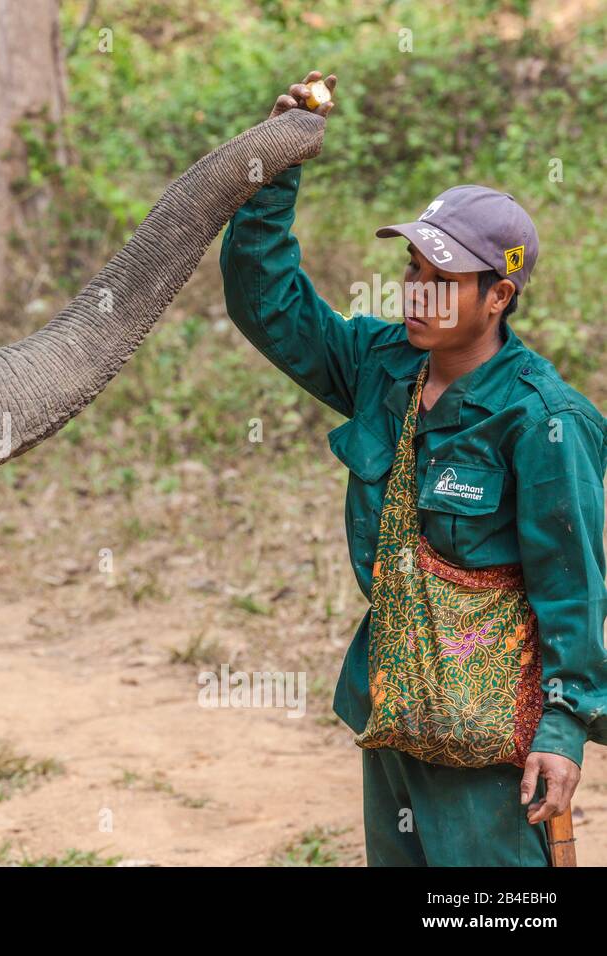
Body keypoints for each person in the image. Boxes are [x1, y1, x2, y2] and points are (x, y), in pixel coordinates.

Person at [219, 71, 607, 865]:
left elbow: (575, 585)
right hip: (394, 706)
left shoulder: (543, 422)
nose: (418, 298)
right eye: (413, 276)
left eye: (445, 283)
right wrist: (272, 165)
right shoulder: (379, 365)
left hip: (491, 734)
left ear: (499, 294)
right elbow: (267, 303)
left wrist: (564, 731)